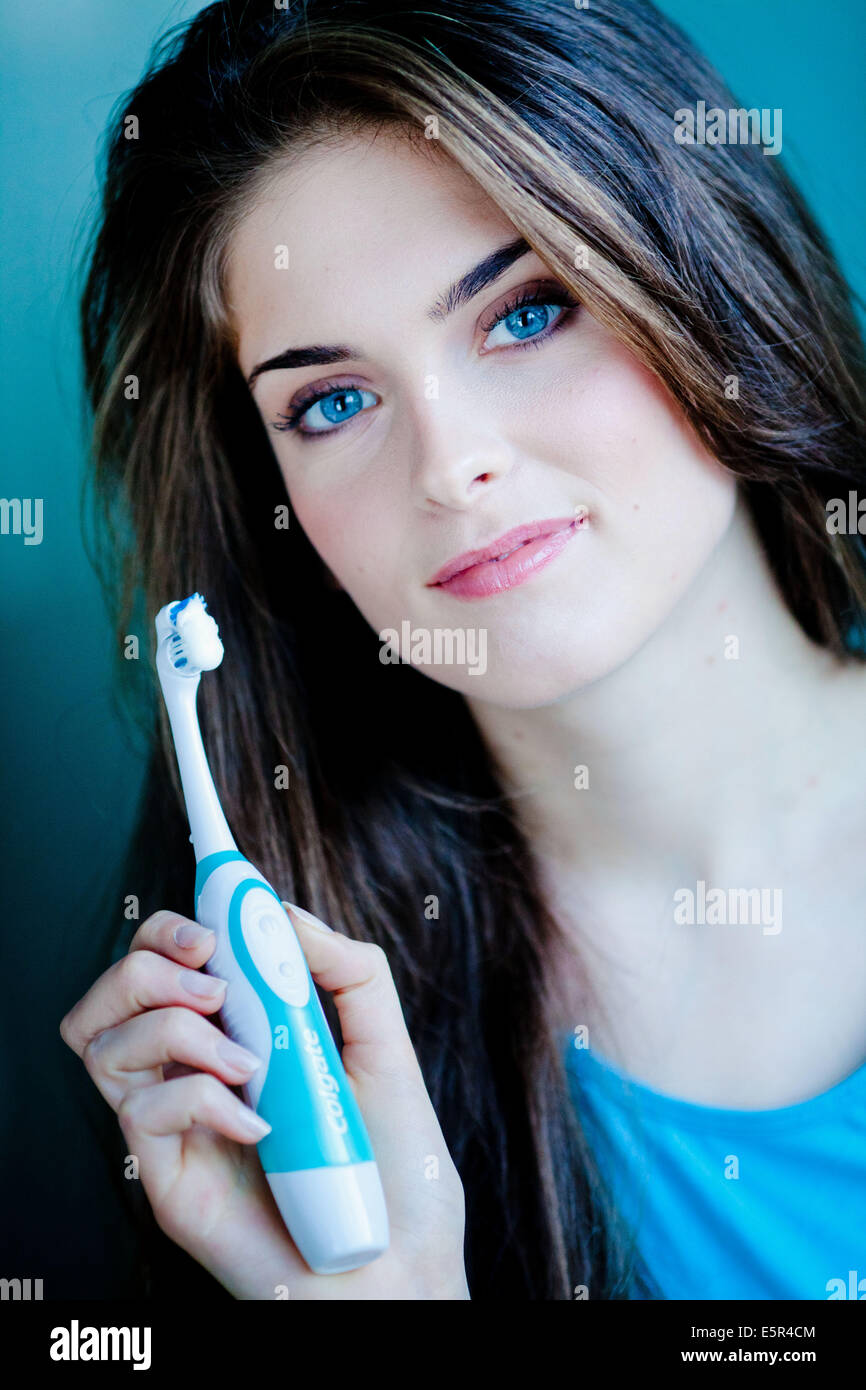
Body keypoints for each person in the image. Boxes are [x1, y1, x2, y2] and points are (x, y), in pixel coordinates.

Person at [60, 0, 866, 1300]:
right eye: (332, 402)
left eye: (528, 312)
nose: (451, 465)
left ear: (706, 275)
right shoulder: (275, 1063)